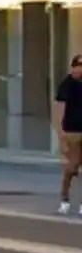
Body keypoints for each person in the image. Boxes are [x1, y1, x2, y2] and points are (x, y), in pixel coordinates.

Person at [52, 54, 82, 216]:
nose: (80, 70)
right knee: (72, 167)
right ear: (73, 67)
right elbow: (59, 109)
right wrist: (61, 133)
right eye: (78, 66)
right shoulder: (66, 85)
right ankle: (65, 199)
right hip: (71, 131)